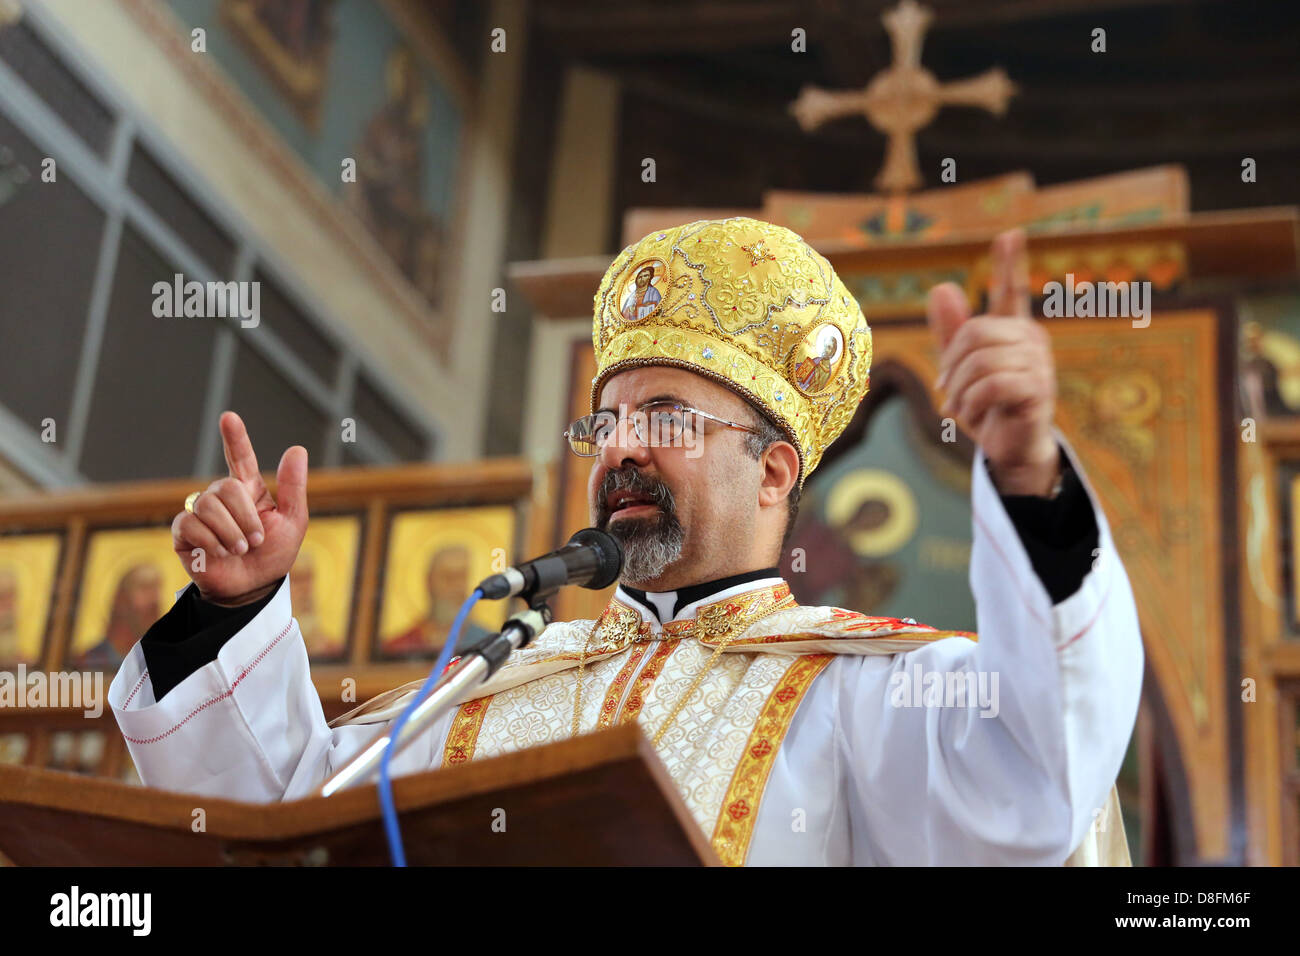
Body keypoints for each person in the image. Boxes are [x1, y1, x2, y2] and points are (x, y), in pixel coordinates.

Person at [109, 217, 1142, 866]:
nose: (621, 448)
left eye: (666, 416)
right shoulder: (496, 677)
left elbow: (1037, 781)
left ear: (774, 470)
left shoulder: (863, 687)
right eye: (607, 422)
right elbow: (276, 812)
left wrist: (1027, 477)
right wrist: (234, 608)